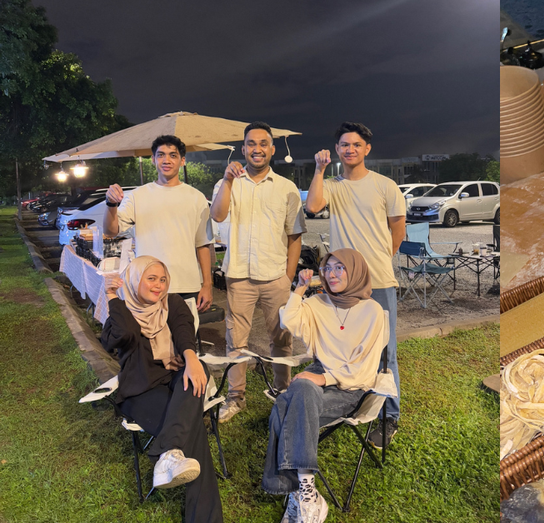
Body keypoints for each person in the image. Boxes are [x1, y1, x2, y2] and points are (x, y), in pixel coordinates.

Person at [263, 249, 388, 523]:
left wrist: (324, 379)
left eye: (340, 268)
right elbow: (288, 320)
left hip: (351, 386)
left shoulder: (372, 311)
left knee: (285, 404)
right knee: (302, 390)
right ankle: (307, 490)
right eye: (327, 268)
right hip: (318, 374)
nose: (331, 274)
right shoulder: (318, 303)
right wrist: (299, 289)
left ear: (356, 271)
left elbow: (365, 369)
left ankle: (295, 494)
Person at [304, 122, 405, 448]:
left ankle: (389, 416)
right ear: (337, 150)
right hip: (342, 286)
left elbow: (398, 229)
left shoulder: (385, 185)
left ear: (367, 149)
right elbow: (312, 206)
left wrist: (380, 259)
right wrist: (319, 169)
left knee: (385, 351)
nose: (350, 149)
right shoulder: (332, 185)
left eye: (356, 144)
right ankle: (351, 402)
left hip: (379, 281)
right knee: (345, 345)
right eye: (344, 145)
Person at [100, 256, 222, 523]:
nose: (159, 285)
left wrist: (191, 358)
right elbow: (124, 335)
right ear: (134, 280)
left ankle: (168, 453)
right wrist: (112, 297)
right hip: (141, 390)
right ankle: (205, 516)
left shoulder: (172, 303)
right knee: (193, 430)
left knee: (195, 371)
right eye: (151, 278)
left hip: (174, 378)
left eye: (163, 279)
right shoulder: (121, 312)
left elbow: (183, 330)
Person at [211, 121, 306, 422]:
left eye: (263, 143)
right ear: (243, 149)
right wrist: (227, 181)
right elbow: (217, 215)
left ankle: (283, 391)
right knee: (235, 341)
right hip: (239, 275)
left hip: (275, 276)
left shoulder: (287, 188)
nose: (257, 149)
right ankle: (235, 397)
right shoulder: (227, 182)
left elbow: (295, 235)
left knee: (281, 338)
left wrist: (288, 276)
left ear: (272, 149)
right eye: (251, 144)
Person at [105, 135, 214, 311]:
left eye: (173, 155)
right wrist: (111, 204)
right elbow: (111, 231)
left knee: (186, 330)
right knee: (147, 329)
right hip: (147, 286)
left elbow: (203, 244)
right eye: (161, 155)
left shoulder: (197, 198)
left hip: (187, 284)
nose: (166, 160)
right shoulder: (137, 196)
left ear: (182, 161)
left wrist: (207, 285)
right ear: (153, 159)